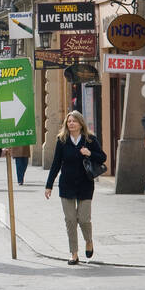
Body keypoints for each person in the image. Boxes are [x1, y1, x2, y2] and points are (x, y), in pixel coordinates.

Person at [44, 111, 106, 264]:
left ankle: (89, 241)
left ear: (80, 123)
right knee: (70, 220)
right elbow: (56, 164)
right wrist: (49, 185)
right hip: (67, 185)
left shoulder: (90, 140)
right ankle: (74, 253)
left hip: (85, 184)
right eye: (69, 121)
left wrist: (89, 153)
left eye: (74, 121)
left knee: (84, 219)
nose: (71, 123)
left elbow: (103, 157)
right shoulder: (62, 140)